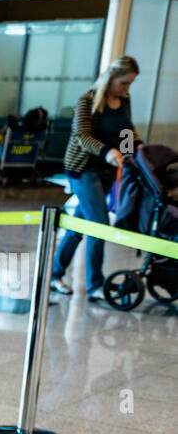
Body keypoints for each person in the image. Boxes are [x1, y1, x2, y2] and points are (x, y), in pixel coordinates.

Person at [49, 56, 140, 297]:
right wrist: (106, 151)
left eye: (130, 84)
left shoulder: (124, 101)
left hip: (107, 171)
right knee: (99, 225)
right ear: (111, 78)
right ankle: (95, 285)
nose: (126, 88)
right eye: (124, 83)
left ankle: (54, 274)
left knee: (79, 227)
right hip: (83, 170)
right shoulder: (87, 100)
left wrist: (132, 152)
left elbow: (126, 130)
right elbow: (81, 136)